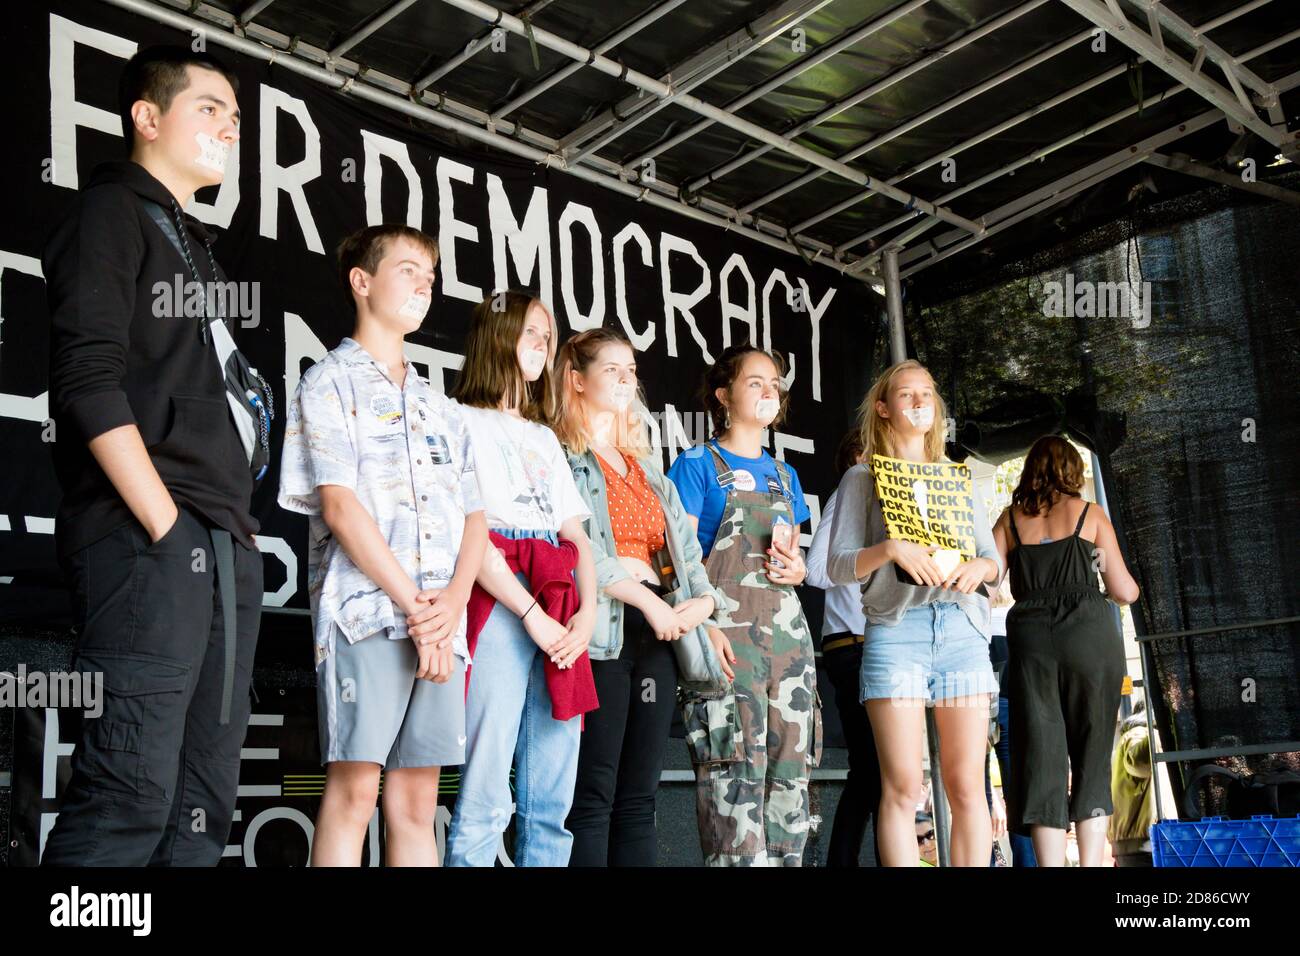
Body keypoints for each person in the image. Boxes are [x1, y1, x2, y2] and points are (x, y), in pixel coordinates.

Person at [42, 46, 266, 865]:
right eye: (210, 107)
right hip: (152, 538)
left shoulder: (195, 243)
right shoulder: (110, 211)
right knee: (129, 793)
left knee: (202, 806)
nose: (229, 127)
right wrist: (168, 528)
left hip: (224, 544)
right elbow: (87, 381)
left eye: (235, 117)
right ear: (147, 115)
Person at [278, 225, 487, 866]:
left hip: (440, 624)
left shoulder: (441, 405)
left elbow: (475, 518)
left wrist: (448, 607)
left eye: (430, 278)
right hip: (366, 614)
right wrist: (416, 608)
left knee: (419, 802)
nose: (424, 287)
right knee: (353, 792)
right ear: (361, 281)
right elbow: (339, 505)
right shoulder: (327, 382)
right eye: (408, 271)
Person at [555, 327, 725, 866]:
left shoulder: (650, 469)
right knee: (593, 794)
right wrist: (650, 603)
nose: (627, 379)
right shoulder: (561, 456)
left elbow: (688, 559)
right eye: (612, 369)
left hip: (660, 634)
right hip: (603, 629)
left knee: (639, 798)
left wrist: (703, 605)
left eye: (631, 370)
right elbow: (580, 548)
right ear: (576, 380)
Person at [826, 359, 1003, 867]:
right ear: (884, 408)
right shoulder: (863, 477)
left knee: (967, 785)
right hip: (895, 629)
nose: (921, 401)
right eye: (907, 394)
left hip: (963, 630)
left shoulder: (959, 477)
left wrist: (979, 570)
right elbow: (837, 565)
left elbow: (993, 561)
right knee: (902, 786)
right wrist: (891, 550)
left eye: (927, 392)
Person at [444, 290, 598, 867]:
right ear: (498, 334)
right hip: (501, 602)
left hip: (560, 608)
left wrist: (585, 615)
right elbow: (472, 536)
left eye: (547, 337)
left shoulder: (544, 437)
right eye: (532, 332)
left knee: (553, 799)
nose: (543, 346)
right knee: (486, 795)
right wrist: (530, 615)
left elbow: (577, 537)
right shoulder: (457, 419)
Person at [667, 344, 821, 866]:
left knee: (789, 778)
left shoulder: (785, 476)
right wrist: (703, 624)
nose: (768, 390)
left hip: (789, 646)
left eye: (774, 382)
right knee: (732, 777)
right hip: (726, 643)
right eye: (755, 381)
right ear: (723, 395)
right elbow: (680, 562)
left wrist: (797, 571)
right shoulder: (695, 467)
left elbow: (792, 557)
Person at [991, 434, 1139, 867]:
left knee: (1041, 756)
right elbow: (1122, 590)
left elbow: (986, 585)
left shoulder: (1010, 520)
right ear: (1073, 470)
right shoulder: (1090, 515)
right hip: (1090, 638)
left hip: (1031, 640)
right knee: (1093, 753)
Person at [806, 429, 883, 866]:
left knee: (883, 774)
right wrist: (871, 559)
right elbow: (816, 571)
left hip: (879, 644)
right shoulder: (846, 496)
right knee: (871, 772)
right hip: (852, 645)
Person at [988, 584, 1037, 866]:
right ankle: (1027, 862)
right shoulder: (1017, 615)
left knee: (976, 789)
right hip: (1014, 703)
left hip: (977, 702)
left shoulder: (977, 616)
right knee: (1019, 791)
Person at [1109, 698, 1155, 867]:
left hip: (1136, 842)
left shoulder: (1131, 737)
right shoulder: (1139, 733)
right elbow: (1138, 762)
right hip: (1144, 842)